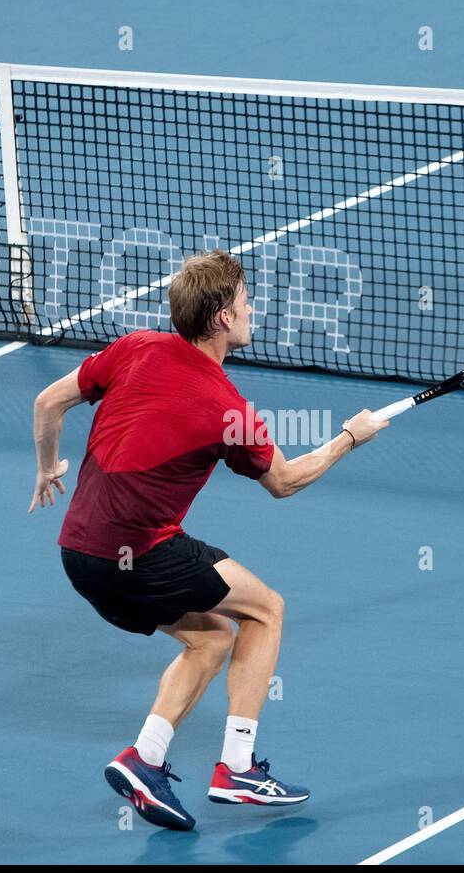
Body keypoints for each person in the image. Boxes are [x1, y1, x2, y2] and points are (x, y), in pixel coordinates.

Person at [29, 249, 387, 831]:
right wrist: (352, 436)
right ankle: (238, 770)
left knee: (211, 639)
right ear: (222, 317)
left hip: (78, 555)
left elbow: (48, 402)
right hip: (140, 555)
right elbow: (287, 481)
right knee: (266, 610)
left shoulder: (134, 347)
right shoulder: (228, 410)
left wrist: (47, 468)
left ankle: (143, 759)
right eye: (245, 301)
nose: (252, 310)